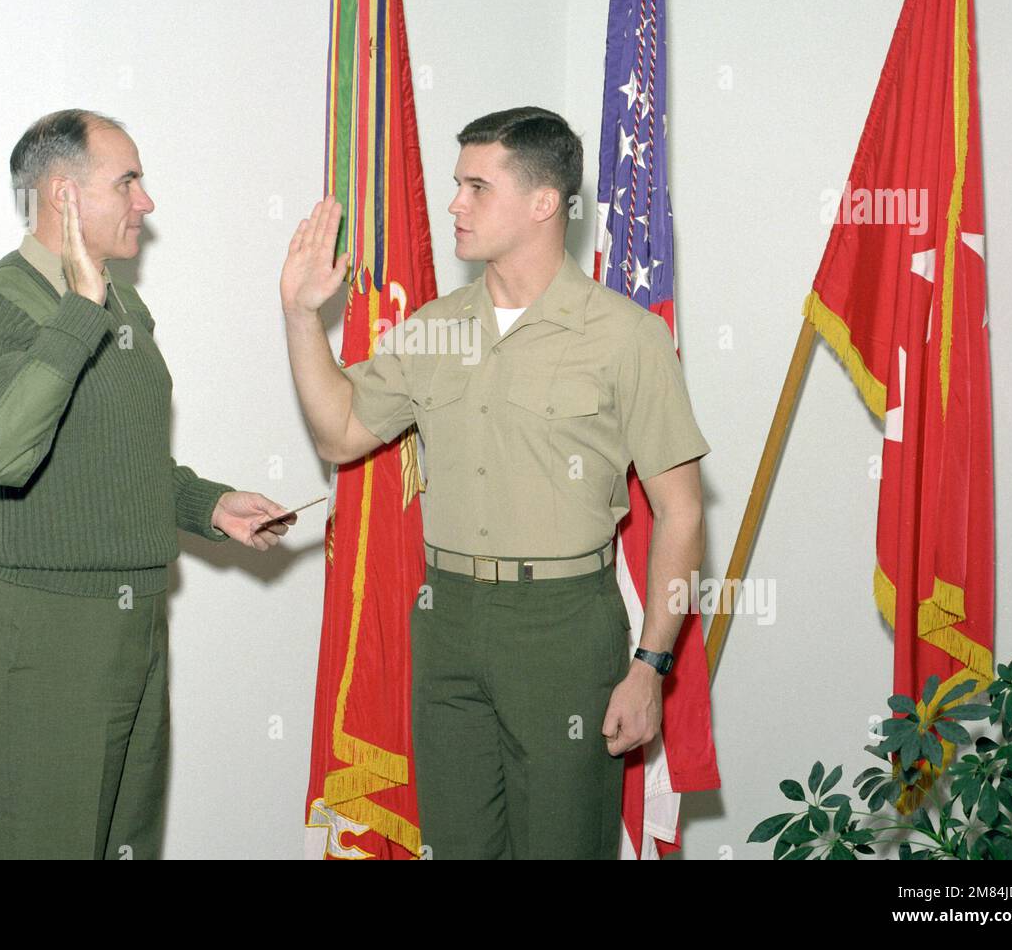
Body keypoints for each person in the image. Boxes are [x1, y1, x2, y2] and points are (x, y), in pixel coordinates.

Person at [280, 106, 710, 859]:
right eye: (455, 185)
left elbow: (680, 514)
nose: (455, 203)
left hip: (562, 627)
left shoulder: (626, 336)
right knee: (459, 845)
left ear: (544, 203)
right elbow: (339, 432)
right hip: (446, 617)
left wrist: (651, 667)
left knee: (561, 845)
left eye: (477, 187)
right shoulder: (433, 328)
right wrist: (300, 317)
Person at [0, 108, 293, 859]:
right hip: (46, 632)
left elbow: (117, 463)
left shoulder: (122, 309)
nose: (146, 201)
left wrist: (207, 505)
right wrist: (76, 313)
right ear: (62, 197)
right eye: (127, 180)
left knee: (122, 842)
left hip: (133, 622)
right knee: (40, 843)